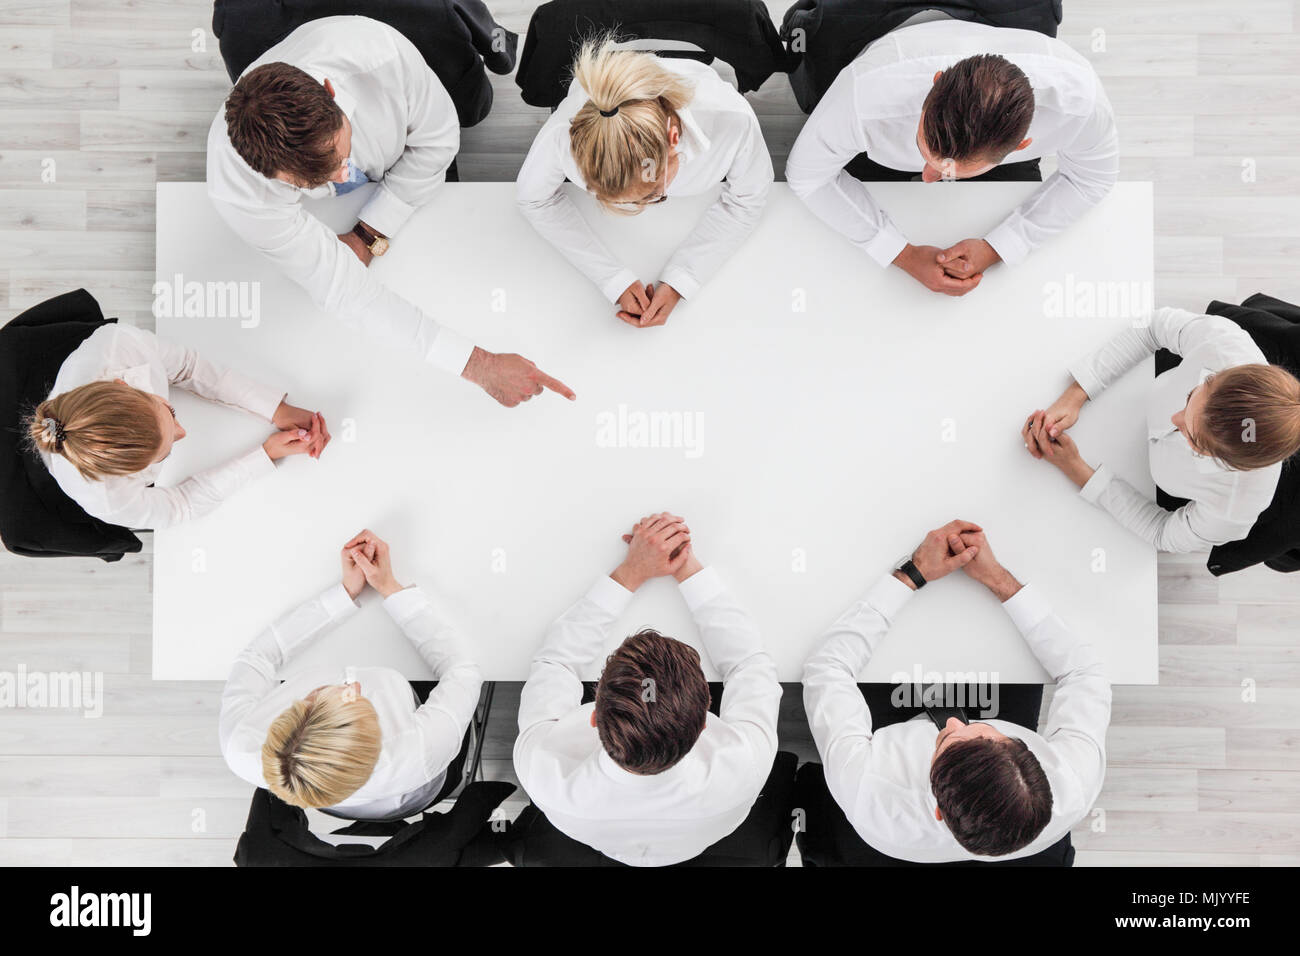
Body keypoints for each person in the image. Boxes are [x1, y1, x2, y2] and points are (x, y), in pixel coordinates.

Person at [207, 15, 574, 408]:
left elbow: (438, 142)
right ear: (261, 172)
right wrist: (479, 366)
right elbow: (345, 291)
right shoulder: (237, 188)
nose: (340, 175)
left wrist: (368, 233)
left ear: (331, 92)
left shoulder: (379, 55)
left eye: (338, 155)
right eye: (308, 182)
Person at [801, 519, 1111, 863]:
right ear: (1028, 753)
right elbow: (1084, 672)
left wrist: (913, 573)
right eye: (984, 735)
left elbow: (828, 667)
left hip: (893, 723)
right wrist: (998, 579)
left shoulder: (868, 788)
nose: (952, 721)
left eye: (946, 741)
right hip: (998, 707)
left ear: (938, 810)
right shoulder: (1071, 782)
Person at [512, 512, 781, 865]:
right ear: (704, 722)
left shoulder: (542, 767)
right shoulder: (743, 764)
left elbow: (556, 664)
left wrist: (631, 572)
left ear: (594, 717)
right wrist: (685, 565)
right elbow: (750, 665)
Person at [785, 19, 1118, 297]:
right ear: (936, 82)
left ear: (1022, 147)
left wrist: (999, 246)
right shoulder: (864, 94)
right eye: (925, 150)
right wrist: (900, 253)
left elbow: (1093, 179)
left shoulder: (1082, 105)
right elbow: (807, 175)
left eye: (950, 171)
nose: (927, 178)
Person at [219, 529, 481, 820]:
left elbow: (256, 657)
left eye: (315, 695)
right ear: (377, 740)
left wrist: (344, 593)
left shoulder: (241, 747)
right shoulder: (418, 750)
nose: (352, 684)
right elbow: (462, 671)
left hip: (333, 797)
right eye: (360, 703)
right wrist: (391, 589)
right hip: (418, 788)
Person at [516, 37, 774, 328]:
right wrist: (611, 277)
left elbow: (748, 199)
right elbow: (533, 199)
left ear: (674, 139)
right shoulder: (563, 136)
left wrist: (683, 279)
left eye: (653, 194)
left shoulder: (732, 121)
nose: (640, 208)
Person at [1023, 307, 1300, 553]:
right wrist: (1078, 392)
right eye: (1191, 395)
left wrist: (1076, 470)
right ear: (1215, 375)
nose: (1174, 418)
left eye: (1193, 439)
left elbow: (1162, 533)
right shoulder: (1223, 344)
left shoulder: (1233, 508)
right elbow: (1151, 327)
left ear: (1229, 464)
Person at [26, 322, 326, 530]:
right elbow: (181, 506)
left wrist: (274, 407)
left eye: (169, 411)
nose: (184, 432)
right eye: (164, 454)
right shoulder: (106, 499)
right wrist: (265, 455)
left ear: (124, 385)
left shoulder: (119, 345)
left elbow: (188, 366)